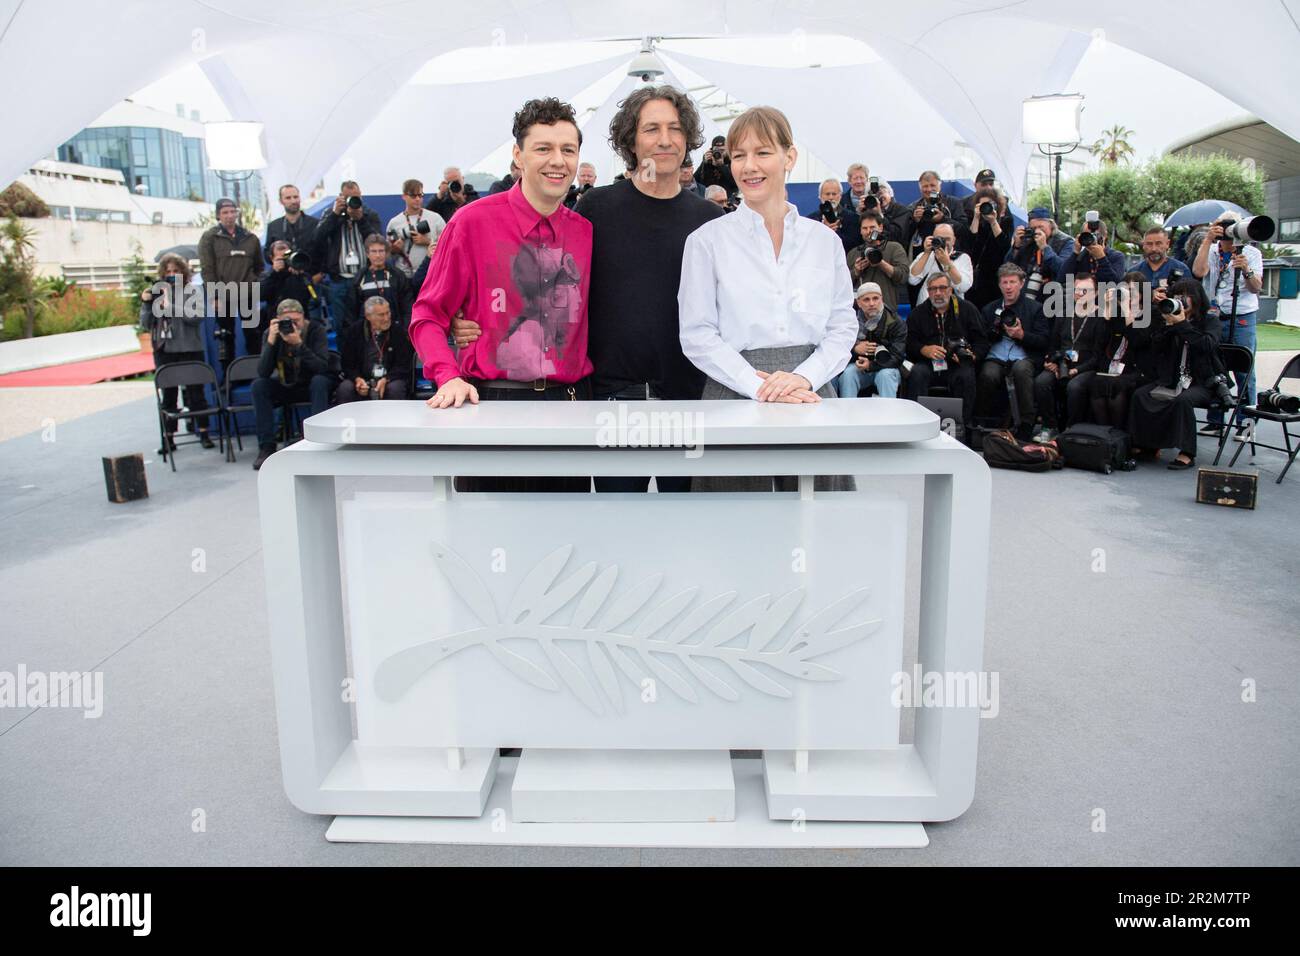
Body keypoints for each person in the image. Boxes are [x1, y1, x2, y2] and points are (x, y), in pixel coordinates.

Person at [450, 85, 725, 494]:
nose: (664, 139)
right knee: (610, 533)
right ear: (631, 140)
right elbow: (543, 281)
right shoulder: (597, 208)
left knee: (686, 531)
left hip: (686, 403)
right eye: (651, 128)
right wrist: (473, 319)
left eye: (675, 128)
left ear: (687, 139)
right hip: (610, 402)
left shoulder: (708, 219)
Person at [410, 97, 593, 493]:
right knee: (484, 537)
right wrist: (448, 376)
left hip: (570, 409)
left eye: (568, 150)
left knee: (568, 542)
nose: (557, 161)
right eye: (543, 148)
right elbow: (427, 316)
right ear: (518, 156)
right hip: (491, 405)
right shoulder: (471, 222)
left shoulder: (585, 232)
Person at [678, 105, 857, 492]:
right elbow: (697, 333)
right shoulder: (707, 241)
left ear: (789, 157)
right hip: (733, 387)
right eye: (739, 156)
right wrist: (757, 384)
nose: (749, 166)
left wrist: (802, 378)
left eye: (762, 153)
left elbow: (842, 326)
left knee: (819, 520)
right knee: (733, 526)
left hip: (810, 388)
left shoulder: (824, 242)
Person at [1128, 279, 1223, 470]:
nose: (1180, 300)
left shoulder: (1209, 320)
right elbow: (1156, 348)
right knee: (1141, 395)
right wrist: (1169, 326)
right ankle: (1148, 444)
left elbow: (1207, 345)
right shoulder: (1168, 318)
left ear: (1196, 298)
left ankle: (1187, 452)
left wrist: (1183, 325)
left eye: (1184, 296)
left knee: (1183, 400)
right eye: (1176, 296)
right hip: (1172, 378)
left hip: (1204, 381)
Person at [1192, 210, 1264, 435]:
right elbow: (1198, 271)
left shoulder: (1251, 253)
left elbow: (1256, 287)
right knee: (1215, 367)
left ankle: (1247, 424)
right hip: (1215, 315)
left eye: (1231, 226)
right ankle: (1216, 421)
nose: (1226, 231)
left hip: (1242, 316)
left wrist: (1246, 269)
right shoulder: (1212, 250)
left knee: (1244, 371)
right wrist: (1207, 238)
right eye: (1222, 225)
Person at [140, 254, 214, 451]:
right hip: (166, 350)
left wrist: (170, 306)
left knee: (196, 394)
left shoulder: (192, 291)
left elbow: (197, 316)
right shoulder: (157, 292)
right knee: (169, 396)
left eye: (176, 271)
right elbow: (145, 324)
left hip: (190, 349)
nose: (172, 275)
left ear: (184, 272)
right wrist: (148, 303)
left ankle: (204, 433)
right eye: (168, 272)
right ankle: (169, 439)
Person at [251, 299, 333, 470]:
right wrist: (271, 343)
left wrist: (299, 344)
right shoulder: (271, 333)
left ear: (303, 317)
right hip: (285, 385)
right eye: (288, 322)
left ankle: (318, 442)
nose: (292, 325)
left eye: (296, 321)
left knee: (320, 381)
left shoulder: (315, 330)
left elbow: (321, 367)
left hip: (310, 384)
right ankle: (266, 446)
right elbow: (263, 372)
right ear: (278, 320)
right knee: (259, 385)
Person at [1031, 272, 1109, 440]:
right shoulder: (1064, 313)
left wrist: (1077, 370)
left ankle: (1071, 429)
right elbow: (1053, 345)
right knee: (1042, 381)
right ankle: (1049, 427)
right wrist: (1052, 361)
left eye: (1086, 290)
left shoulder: (1101, 317)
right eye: (1077, 290)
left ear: (1095, 293)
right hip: (1062, 363)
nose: (1081, 294)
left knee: (1075, 387)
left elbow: (1098, 355)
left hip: (1087, 367)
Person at [904, 272, 986, 431]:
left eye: (942, 288)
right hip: (928, 363)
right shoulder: (918, 313)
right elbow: (909, 343)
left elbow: (982, 341)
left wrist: (972, 355)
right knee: (917, 373)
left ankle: (963, 426)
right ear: (928, 291)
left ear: (950, 290)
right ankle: (916, 424)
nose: (938, 293)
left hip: (957, 363)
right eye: (933, 289)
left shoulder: (967, 309)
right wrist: (923, 349)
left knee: (966, 375)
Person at [977, 263, 1049, 440]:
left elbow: (1043, 341)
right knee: (988, 373)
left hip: (1024, 356)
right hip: (996, 356)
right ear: (999, 285)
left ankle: (1026, 423)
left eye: (1012, 282)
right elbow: (980, 338)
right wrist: (993, 332)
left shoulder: (1035, 308)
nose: (1008, 287)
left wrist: (1022, 335)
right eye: (1004, 282)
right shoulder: (989, 309)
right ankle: (984, 421)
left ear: (1021, 283)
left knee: (1021, 370)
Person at [1089, 271, 1157, 430]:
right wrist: (1106, 310)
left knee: (1116, 386)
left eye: (1132, 292)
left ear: (1142, 294)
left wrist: (1127, 311)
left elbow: (1139, 341)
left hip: (1139, 369)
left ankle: (1119, 436)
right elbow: (1100, 341)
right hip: (1113, 367)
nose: (1128, 295)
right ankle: (1104, 435)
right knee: (1097, 384)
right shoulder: (1116, 312)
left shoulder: (1152, 314)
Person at [198, 197, 263, 363]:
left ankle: (256, 371)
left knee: (253, 333)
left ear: (237, 213)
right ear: (218, 216)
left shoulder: (250, 238)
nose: (229, 215)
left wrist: (254, 283)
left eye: (232, 211)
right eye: (225, 212)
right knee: (226, 336)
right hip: (223, 294)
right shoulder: (209, 238)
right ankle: (229, 378)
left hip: (248, 293)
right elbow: (207, 269)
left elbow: (259, 266)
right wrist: (214, 296)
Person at [315, 180, 381, 331]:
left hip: (365, 277)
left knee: (368, 321)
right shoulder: (331, 214)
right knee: (341, 325)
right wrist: (335, 215)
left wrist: (360, 219)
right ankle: (343, 354)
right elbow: (318, 238)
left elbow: (375, 241)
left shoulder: (369, 214)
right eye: (348, 198)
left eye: (355, 197)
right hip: (339, 279)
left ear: (361, 196)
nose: (352, 201)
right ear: (340, 197)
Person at [335, 297, 414, 404]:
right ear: (368, 316)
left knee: (395, 388)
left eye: (388, 313)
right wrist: (357, 379)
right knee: (345, 388)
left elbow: (404, 365)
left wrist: (386, 379)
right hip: (363, 379)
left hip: (391, 378)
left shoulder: (398, 332)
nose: (386, 318)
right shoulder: (354, 331)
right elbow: (347, 364)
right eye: (381, 315)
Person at [836, 282, 906, 399]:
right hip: (860, 367)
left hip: (887, 368)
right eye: (866, 300)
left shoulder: (895, 322)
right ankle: (847, 414)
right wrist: (855, 349)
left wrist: (871, 365)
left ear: (881, 299)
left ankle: (890, 415)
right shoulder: (850, 321)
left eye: (875, 298)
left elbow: (897, 357)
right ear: (858, 303)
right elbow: (838, 349)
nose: (872, 303)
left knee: (885, 375)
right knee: (848, 374)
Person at [344, 234, 414, 329]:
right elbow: (351, 312)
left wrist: (405, 329)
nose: (378, 255)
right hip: (368, 334)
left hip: (395, 330)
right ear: (367, 254)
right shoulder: (359, 278)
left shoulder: (398, 276)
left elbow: (407, 306)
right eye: (374, 251)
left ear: (386, 253)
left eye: (381, 251)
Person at [959, 184, 1013, 308]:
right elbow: (969, 244)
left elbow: (1004, 246)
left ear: (997, 205)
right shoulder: (975, 221)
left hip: (995, 277)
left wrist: (993, 221)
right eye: (982, 204)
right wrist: (976, 218)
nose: (986, 207)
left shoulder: (1005, 221)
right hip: (976, 278)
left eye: (989, 204)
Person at [1004, 207, 1074, 296]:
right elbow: (1007, 267)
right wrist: (1016, 246)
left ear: (1051, 225)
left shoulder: (1066, 241)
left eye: (1041, 227)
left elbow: (1064, 270)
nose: (1037, 231)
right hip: (1026, 290)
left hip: (1053, 293)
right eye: (1033, 228)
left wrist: (1044, 247)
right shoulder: (1028, 240)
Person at [846, 211, 908, 311]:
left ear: (881, 227)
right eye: (865, 228)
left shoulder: (894, 248)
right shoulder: (853, 253)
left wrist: (880, 262)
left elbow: (903, 276)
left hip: (887, 309)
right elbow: (843, 283)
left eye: (872, 227)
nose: (868, 231)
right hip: (860, 312)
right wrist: (856, 271)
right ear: (860, 231)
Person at [385, 178, 445, 278]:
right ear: (404, 196)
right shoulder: (394, 222)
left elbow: (448, 245)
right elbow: (386, 253)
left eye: (420, 195)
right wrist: (394, 249)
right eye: (413, 195)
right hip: (403, 275)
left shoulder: (435, 218)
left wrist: (428, 241)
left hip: (430, 273)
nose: (417, 199)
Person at [263, 184, 320, 279]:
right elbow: (267, 252)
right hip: (282, 279)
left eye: (295, 197)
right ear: (281, 201)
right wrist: (275, 259)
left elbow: (323, 250)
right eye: (288, 198)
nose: (293, 201)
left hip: (310, 277)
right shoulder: (273, 226)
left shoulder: (315, 224)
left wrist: (320, 274)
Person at [262, 240, 323, 322]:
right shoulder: (267, 276)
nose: (284, 262)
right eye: (280, 260)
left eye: (286, 258)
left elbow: (314, 299)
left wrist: (299, 275)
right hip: (277, 321)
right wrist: (274, 273)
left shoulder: (303, 276)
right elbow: (260, 295)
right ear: (271, 258)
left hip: (300, 320)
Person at [909, 222, 973, 298]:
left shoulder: (963, 258)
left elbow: (964, 287)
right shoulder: (925, 256)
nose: (943, 243)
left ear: (954, 241)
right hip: (926, 306)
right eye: (939, 239)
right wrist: (926, 253)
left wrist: (946, 263)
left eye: (947, 239)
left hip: (952, 307)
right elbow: (912, 280)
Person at [904, 170, 962, 253]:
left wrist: (943, 219)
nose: (929, 189)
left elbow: (963, 230)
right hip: (923, 253)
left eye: (932, 185)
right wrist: (915, 221)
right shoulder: (913, 207)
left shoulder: (953, 203)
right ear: (920, 188)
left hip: (949, 252)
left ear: (940, 186)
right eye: (925, 186)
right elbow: (905, 235)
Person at [1060, 218, 1125, 283]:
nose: (1090, 239)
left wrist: (1102, 258)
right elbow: (1062, 279)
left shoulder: (1116, 256)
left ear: (1104, 236)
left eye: (1094, 235)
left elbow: (1115, 283)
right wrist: (1075, 253)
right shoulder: (1080, 257)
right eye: (1087, 235)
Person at [807, 177, 858, 252]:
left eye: (834, 194)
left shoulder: (853, 218)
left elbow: (853, 245)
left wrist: (835, 232)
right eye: (827, 194)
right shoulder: (810, 220)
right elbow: (808, 244)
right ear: (820, 196)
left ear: (840, 196)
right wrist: (823, 231)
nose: (831, 197)